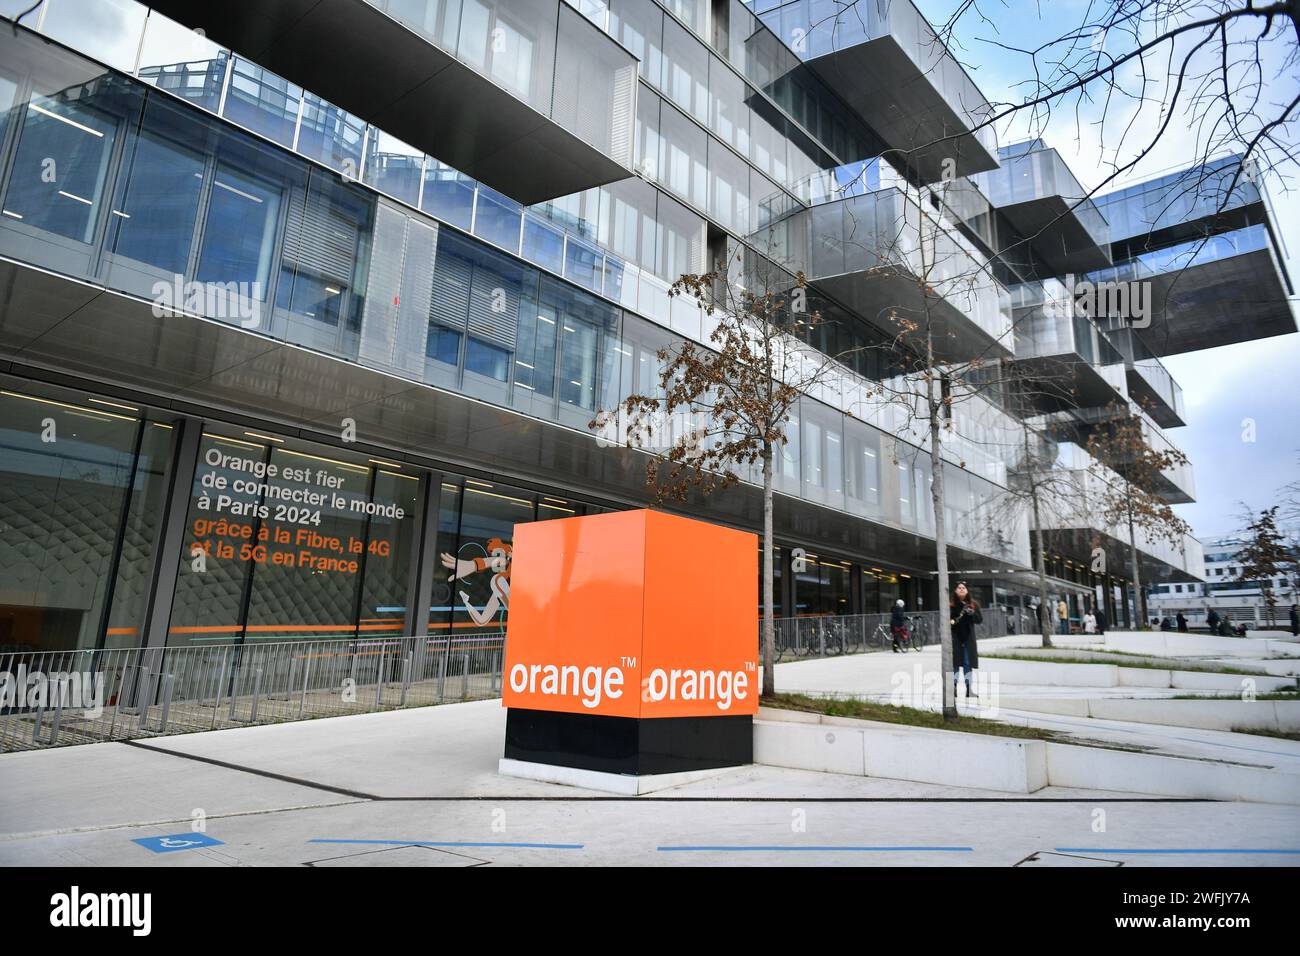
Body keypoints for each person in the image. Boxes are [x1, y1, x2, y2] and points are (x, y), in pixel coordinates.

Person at [950, 581, 983, 699]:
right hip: (956, 639)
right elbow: (948, 622)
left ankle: (969, 690)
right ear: (955, 591)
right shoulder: (951, 605)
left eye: (963, 587)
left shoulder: (973, 604)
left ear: (967, 590)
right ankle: (952, 689)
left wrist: (972, 613)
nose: (961, 589)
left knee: (967, 664)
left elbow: (979, 620)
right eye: (959, 588)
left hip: (968, 639)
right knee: (955, 665)